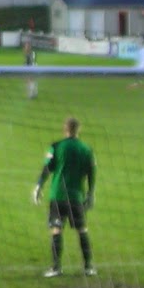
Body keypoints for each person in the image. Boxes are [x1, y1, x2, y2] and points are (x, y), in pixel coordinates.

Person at [33, 116, 96, 277]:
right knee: (82, 230)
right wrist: (91, 193)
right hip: (76, 197)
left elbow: (47, 168)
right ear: (78, 130)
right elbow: (91, 172)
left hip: (58, 195)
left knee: (56, 230)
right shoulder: (87, 149)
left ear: (65, 129)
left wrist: (38, 186)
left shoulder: (57, 146)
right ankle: (88, 267)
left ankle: (56, 267)